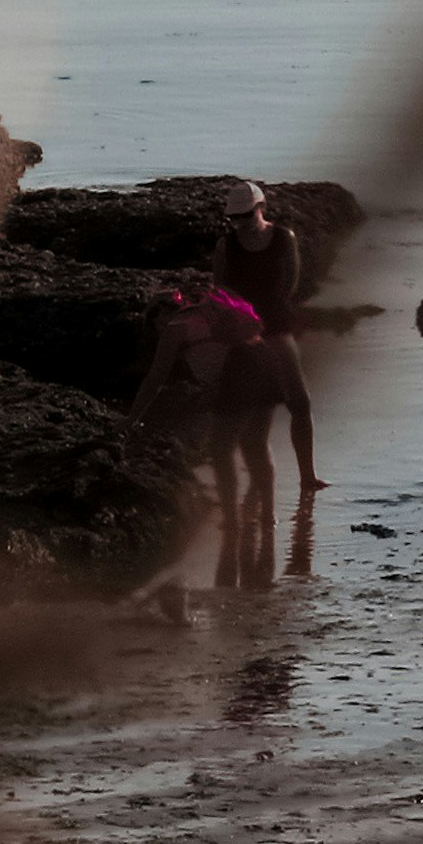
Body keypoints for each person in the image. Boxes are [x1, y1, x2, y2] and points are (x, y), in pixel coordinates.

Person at [130, 283, 289, 568]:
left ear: (161, 315)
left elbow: (155, 379)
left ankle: (231, 520)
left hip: (240, 372)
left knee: (220, 448)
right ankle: (268, 515)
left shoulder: (175, 327)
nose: (155, 331)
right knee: (256, 444)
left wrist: (132, 420)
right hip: (265, 360)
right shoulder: (212, 309)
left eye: (152, 322)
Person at [211, 180, 324, 494]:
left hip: (275, 325)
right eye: (234, 218)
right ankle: (256, 487)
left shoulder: (283, 239)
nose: (240, 223)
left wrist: (268, 314)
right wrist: (240, 318)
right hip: (242, 331)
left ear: (260, 209)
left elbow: (291, 282)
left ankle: (308, 476)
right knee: (253, 412)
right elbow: (219, 289)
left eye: (245, 216)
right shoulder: (226, 245)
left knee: (299, 401)